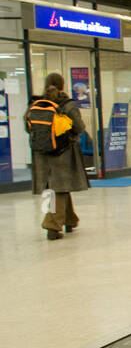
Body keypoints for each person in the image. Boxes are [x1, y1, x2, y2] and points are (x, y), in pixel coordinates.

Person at [27, 73, 89, 241]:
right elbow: (79, 127)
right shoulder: (66, 105)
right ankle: (52, 226)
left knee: (55, 187)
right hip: (62, 153)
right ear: (62, 85)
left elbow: (28, 128)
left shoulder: (35, 104)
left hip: (41, 154)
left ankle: (70, 219)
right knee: (59, 188)